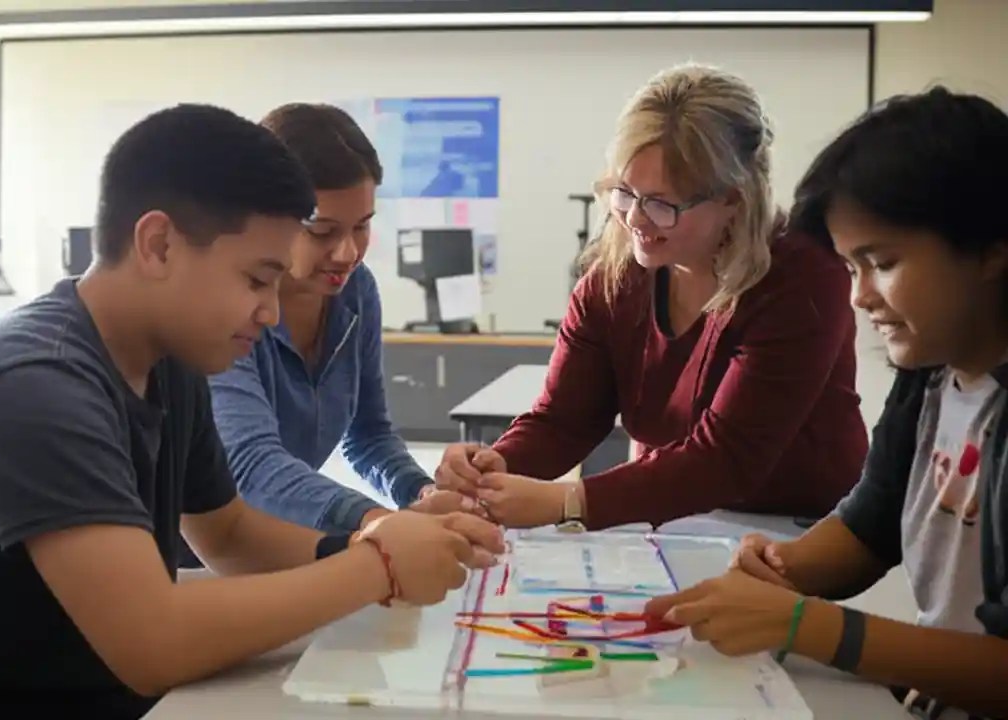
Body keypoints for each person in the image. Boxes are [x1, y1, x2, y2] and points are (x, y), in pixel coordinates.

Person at [0, 104, 503, 719]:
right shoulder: (34, 383)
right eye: (255, 279)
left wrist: (366, 541)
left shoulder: (173, 360)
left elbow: (228, 536)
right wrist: (376, 566)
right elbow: (152, 642)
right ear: (159, 244)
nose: (272, 312)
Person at [644, 87, 1008, 720]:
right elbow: (870, 525)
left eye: (882, 263)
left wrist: (809, 625)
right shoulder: (931, 376)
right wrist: (779, 571)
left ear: (990, 250)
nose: (861, 297)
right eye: (850, 267)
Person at [434, 64, 867, 530]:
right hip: (672, 516)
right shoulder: (613, 282)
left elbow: (726, 459)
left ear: (734, 199)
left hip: (799, 528)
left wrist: (568, 502)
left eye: (662, 204)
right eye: (625, 193)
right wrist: (494, 466)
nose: (635, 220)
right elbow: (565, 419)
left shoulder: (800, 278)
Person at [208, 103, 474, 536]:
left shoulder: (356, 291)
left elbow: (369, 434)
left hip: (268, 542)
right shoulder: (222, 304)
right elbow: (250, 464)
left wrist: (421, 495)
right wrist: (378, 525)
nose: (347, 253)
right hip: (176, 557)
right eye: (321, 231)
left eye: (362, 226)